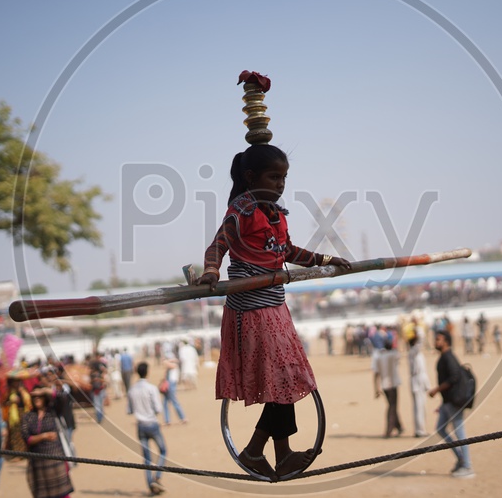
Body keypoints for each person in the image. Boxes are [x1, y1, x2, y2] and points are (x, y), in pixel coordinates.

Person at [195, 137, 351, 480]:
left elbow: (288, 251)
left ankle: (263, 451)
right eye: (273, 177)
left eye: (283, 178)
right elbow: (217, 245)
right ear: (251, 177)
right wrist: (211, 272)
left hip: (275, 308)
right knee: (284, 380)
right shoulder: (242, 211)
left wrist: (327, 260)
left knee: (286, 380)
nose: (280, 185)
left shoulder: (276, 214)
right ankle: (271, 453)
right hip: (251, 312)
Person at [428, 330, 474, 478]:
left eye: (439, 339)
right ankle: (460, 458)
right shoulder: (443, 357)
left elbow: (454, 377)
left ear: (446, 341)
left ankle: (467, 466)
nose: (436, 342)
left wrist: (436, 390)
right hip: (447, 402)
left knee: (460, 433)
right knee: (440, 429)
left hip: (454, 402)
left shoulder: (449, 357)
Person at [21, 387, 74, 498]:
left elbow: (64, 397)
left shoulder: (53, 412)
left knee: (62, 494)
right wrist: (44, 436)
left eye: (39, 396)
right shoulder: (28, 417)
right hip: (38, 464)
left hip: (56, 463)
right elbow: (27, 439)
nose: (37, 399)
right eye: (34, 397)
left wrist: (45, 390)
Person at [127, 362, 166, 496]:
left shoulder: (132, 389)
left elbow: (130, 410)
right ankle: (158, 476)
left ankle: (150, 483)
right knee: (163, 450)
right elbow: (158, 409)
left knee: (146, 458)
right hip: (152, 424)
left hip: (140, 425)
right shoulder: (151, 388)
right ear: (147, 372)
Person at [372, 337, 403, 438]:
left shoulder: (379, 357)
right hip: (393, 384)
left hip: (384, 385)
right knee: (392, 406)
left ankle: (399, 426)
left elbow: (376, 374)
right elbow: (400, 352)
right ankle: (389, 430)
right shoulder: (394, 354)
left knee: (392, 405)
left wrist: (376, 388)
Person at [407, 331, 431, 437]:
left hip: (421, 381)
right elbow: (421, 341)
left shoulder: (417, 353)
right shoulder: (413, 352)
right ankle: (419, 430)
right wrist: (418, 328)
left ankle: (421, 429)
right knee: (418, 407)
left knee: (422, 407)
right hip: (416, 382)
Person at [160, 353, 186, 425]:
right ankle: (167, 420)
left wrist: (166, 360)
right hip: (168, 384)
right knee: (165, 403)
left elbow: (169, 364)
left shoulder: (174, 365)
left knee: (174, 401)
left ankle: (182, 417)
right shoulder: (170, 365)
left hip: (171, 384)